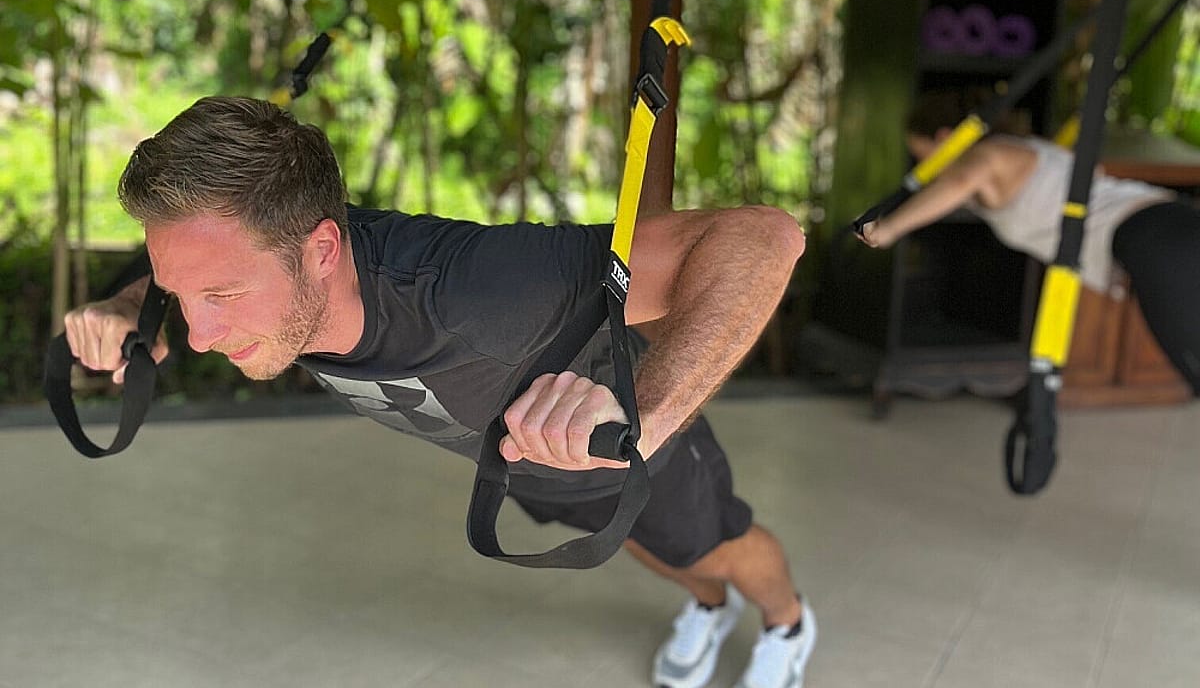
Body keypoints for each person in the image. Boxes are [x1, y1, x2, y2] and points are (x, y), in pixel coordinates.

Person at [63, 96, 817, 688]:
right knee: (650, 547)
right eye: (180, 295)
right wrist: (133, 307)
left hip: (630, 443)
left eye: (222, 295)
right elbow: (195, 269)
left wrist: (646, 419)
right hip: (527, 458)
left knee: (716, 543)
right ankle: (708, 608)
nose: (197, 334)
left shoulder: (482, 290)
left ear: (322, 250)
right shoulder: (282, 270)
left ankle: (785, 623)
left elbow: (765, 236)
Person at [857, 89, 1200, 395]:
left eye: (923, 157)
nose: (925, 170)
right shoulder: (1026, 152)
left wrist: (890, 229)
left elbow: (958, 181)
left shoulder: (992, 154)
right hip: (1159, 232)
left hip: (1153, 235)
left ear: (947, 138)